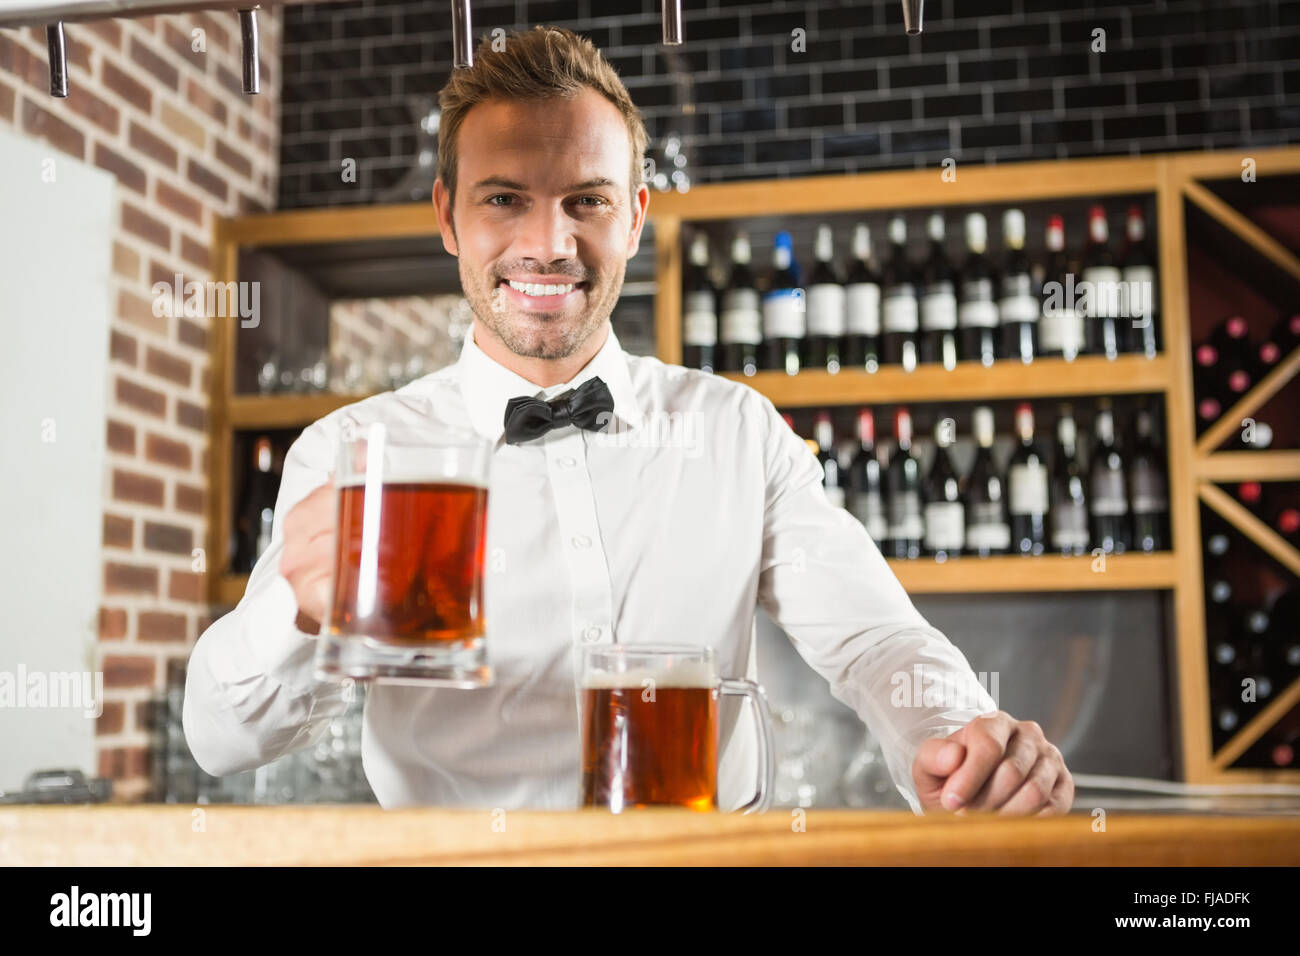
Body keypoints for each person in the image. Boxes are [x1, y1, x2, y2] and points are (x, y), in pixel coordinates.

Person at [184, 26, 1073, 816]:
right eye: (503, 199)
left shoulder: (735, 430)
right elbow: (221, 742)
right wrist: (293, 618)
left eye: (587, 200)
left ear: (636, 216)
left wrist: (955, 734)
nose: (548, 244)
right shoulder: (353, 454)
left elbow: (876, 638)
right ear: (447, 219)